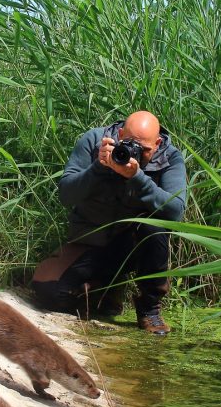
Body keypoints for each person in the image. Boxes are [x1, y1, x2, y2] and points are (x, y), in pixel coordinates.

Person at [31, 111, 187, 335]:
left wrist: (137, 178)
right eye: (129, 144)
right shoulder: (95, 142)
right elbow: (66, 195)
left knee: (155, 226)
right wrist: (98, 168)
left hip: (133, 244)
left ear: (158, 143)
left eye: (144, 150)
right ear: (120, 133)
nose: (135, 154)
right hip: (90, 242)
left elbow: (175, 212)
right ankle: (103, 292)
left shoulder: (170, 157)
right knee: (49, 292)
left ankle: (150, 309)